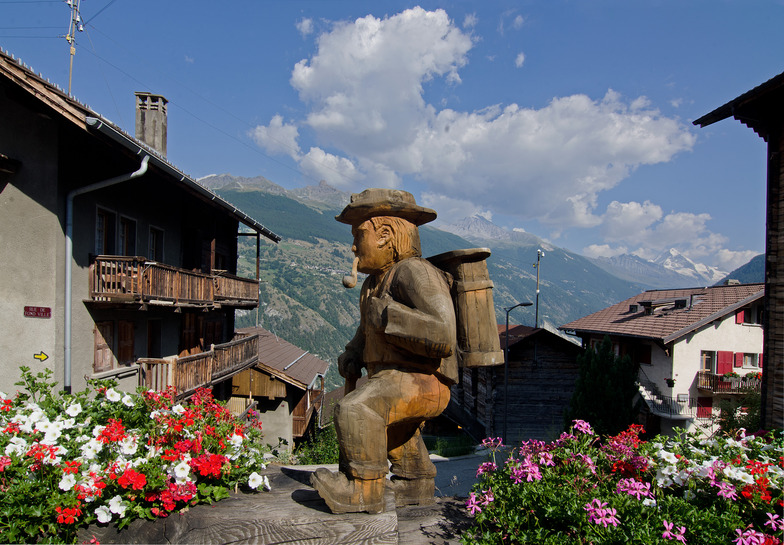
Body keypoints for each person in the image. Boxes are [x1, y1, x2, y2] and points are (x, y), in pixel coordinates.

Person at [311, 188, 458, 514]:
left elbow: (444, 333)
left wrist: (390, 315)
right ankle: (415, 482)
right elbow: (366, 332)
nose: (353, 246)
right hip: (394, 379)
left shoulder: (414, 272)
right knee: (394, 435)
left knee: (356, 410)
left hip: (424, 379)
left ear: (386, 236)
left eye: (359, 235)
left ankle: (365, 491)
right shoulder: (372, 284)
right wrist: (353, 352)